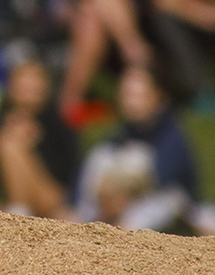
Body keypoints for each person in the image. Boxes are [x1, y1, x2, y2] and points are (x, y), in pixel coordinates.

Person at [72, 65, 200, 232]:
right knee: (99, 158)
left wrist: (124, 199)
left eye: (138, 96)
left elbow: (164, 186)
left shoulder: (171, 137)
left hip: (156, 209)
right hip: (107, 210)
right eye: (127, 95)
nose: (131, 102)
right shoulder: (115, 138)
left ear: (158, 96)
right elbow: (81, 189)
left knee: (168, 201)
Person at [0, 58, 82, 219]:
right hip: (11, 196)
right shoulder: (2, 121)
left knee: (9, 144)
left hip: (56, 198)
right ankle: (17, 208)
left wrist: (32, 147)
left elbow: (68, 170)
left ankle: (18, 213)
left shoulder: (58, 122)